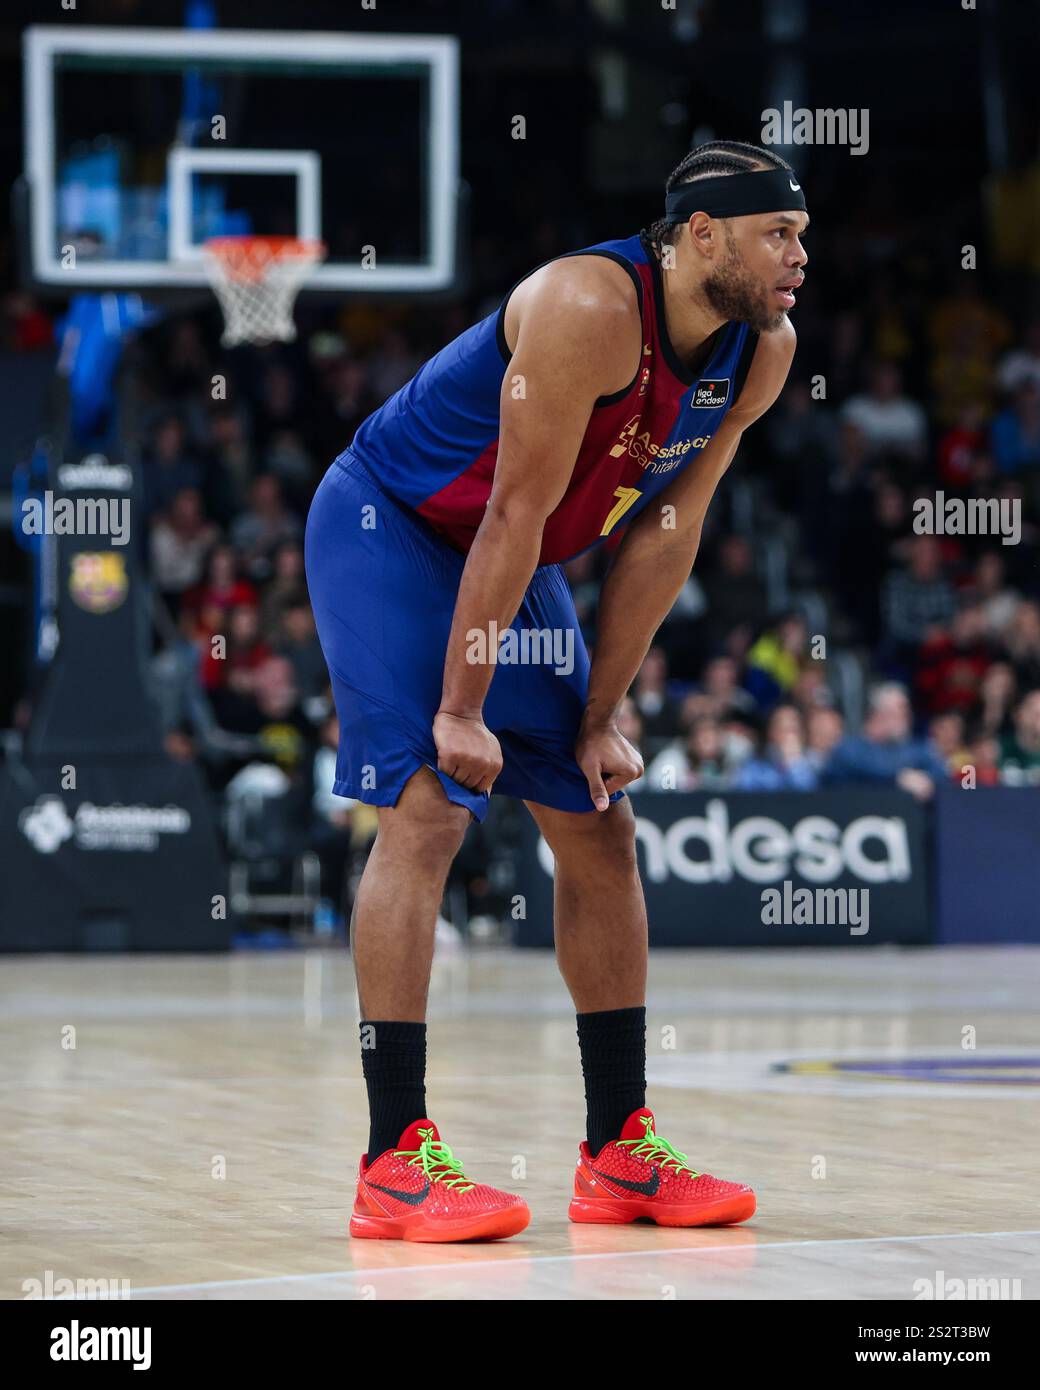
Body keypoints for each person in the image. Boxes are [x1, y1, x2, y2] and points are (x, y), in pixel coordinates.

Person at [306, 139, 804, 1241]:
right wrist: (460, 706)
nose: (797, 257)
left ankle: (619, 1150)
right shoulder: (588, 303)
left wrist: (599, 713)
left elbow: (666, 532)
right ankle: (392, 1160)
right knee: (430, 807)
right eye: (779, 233)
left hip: (508, 559)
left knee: (599, 824)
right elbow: (508, 514)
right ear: (701, 236)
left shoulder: (757, 352)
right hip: (392, 528)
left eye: (801, 236)